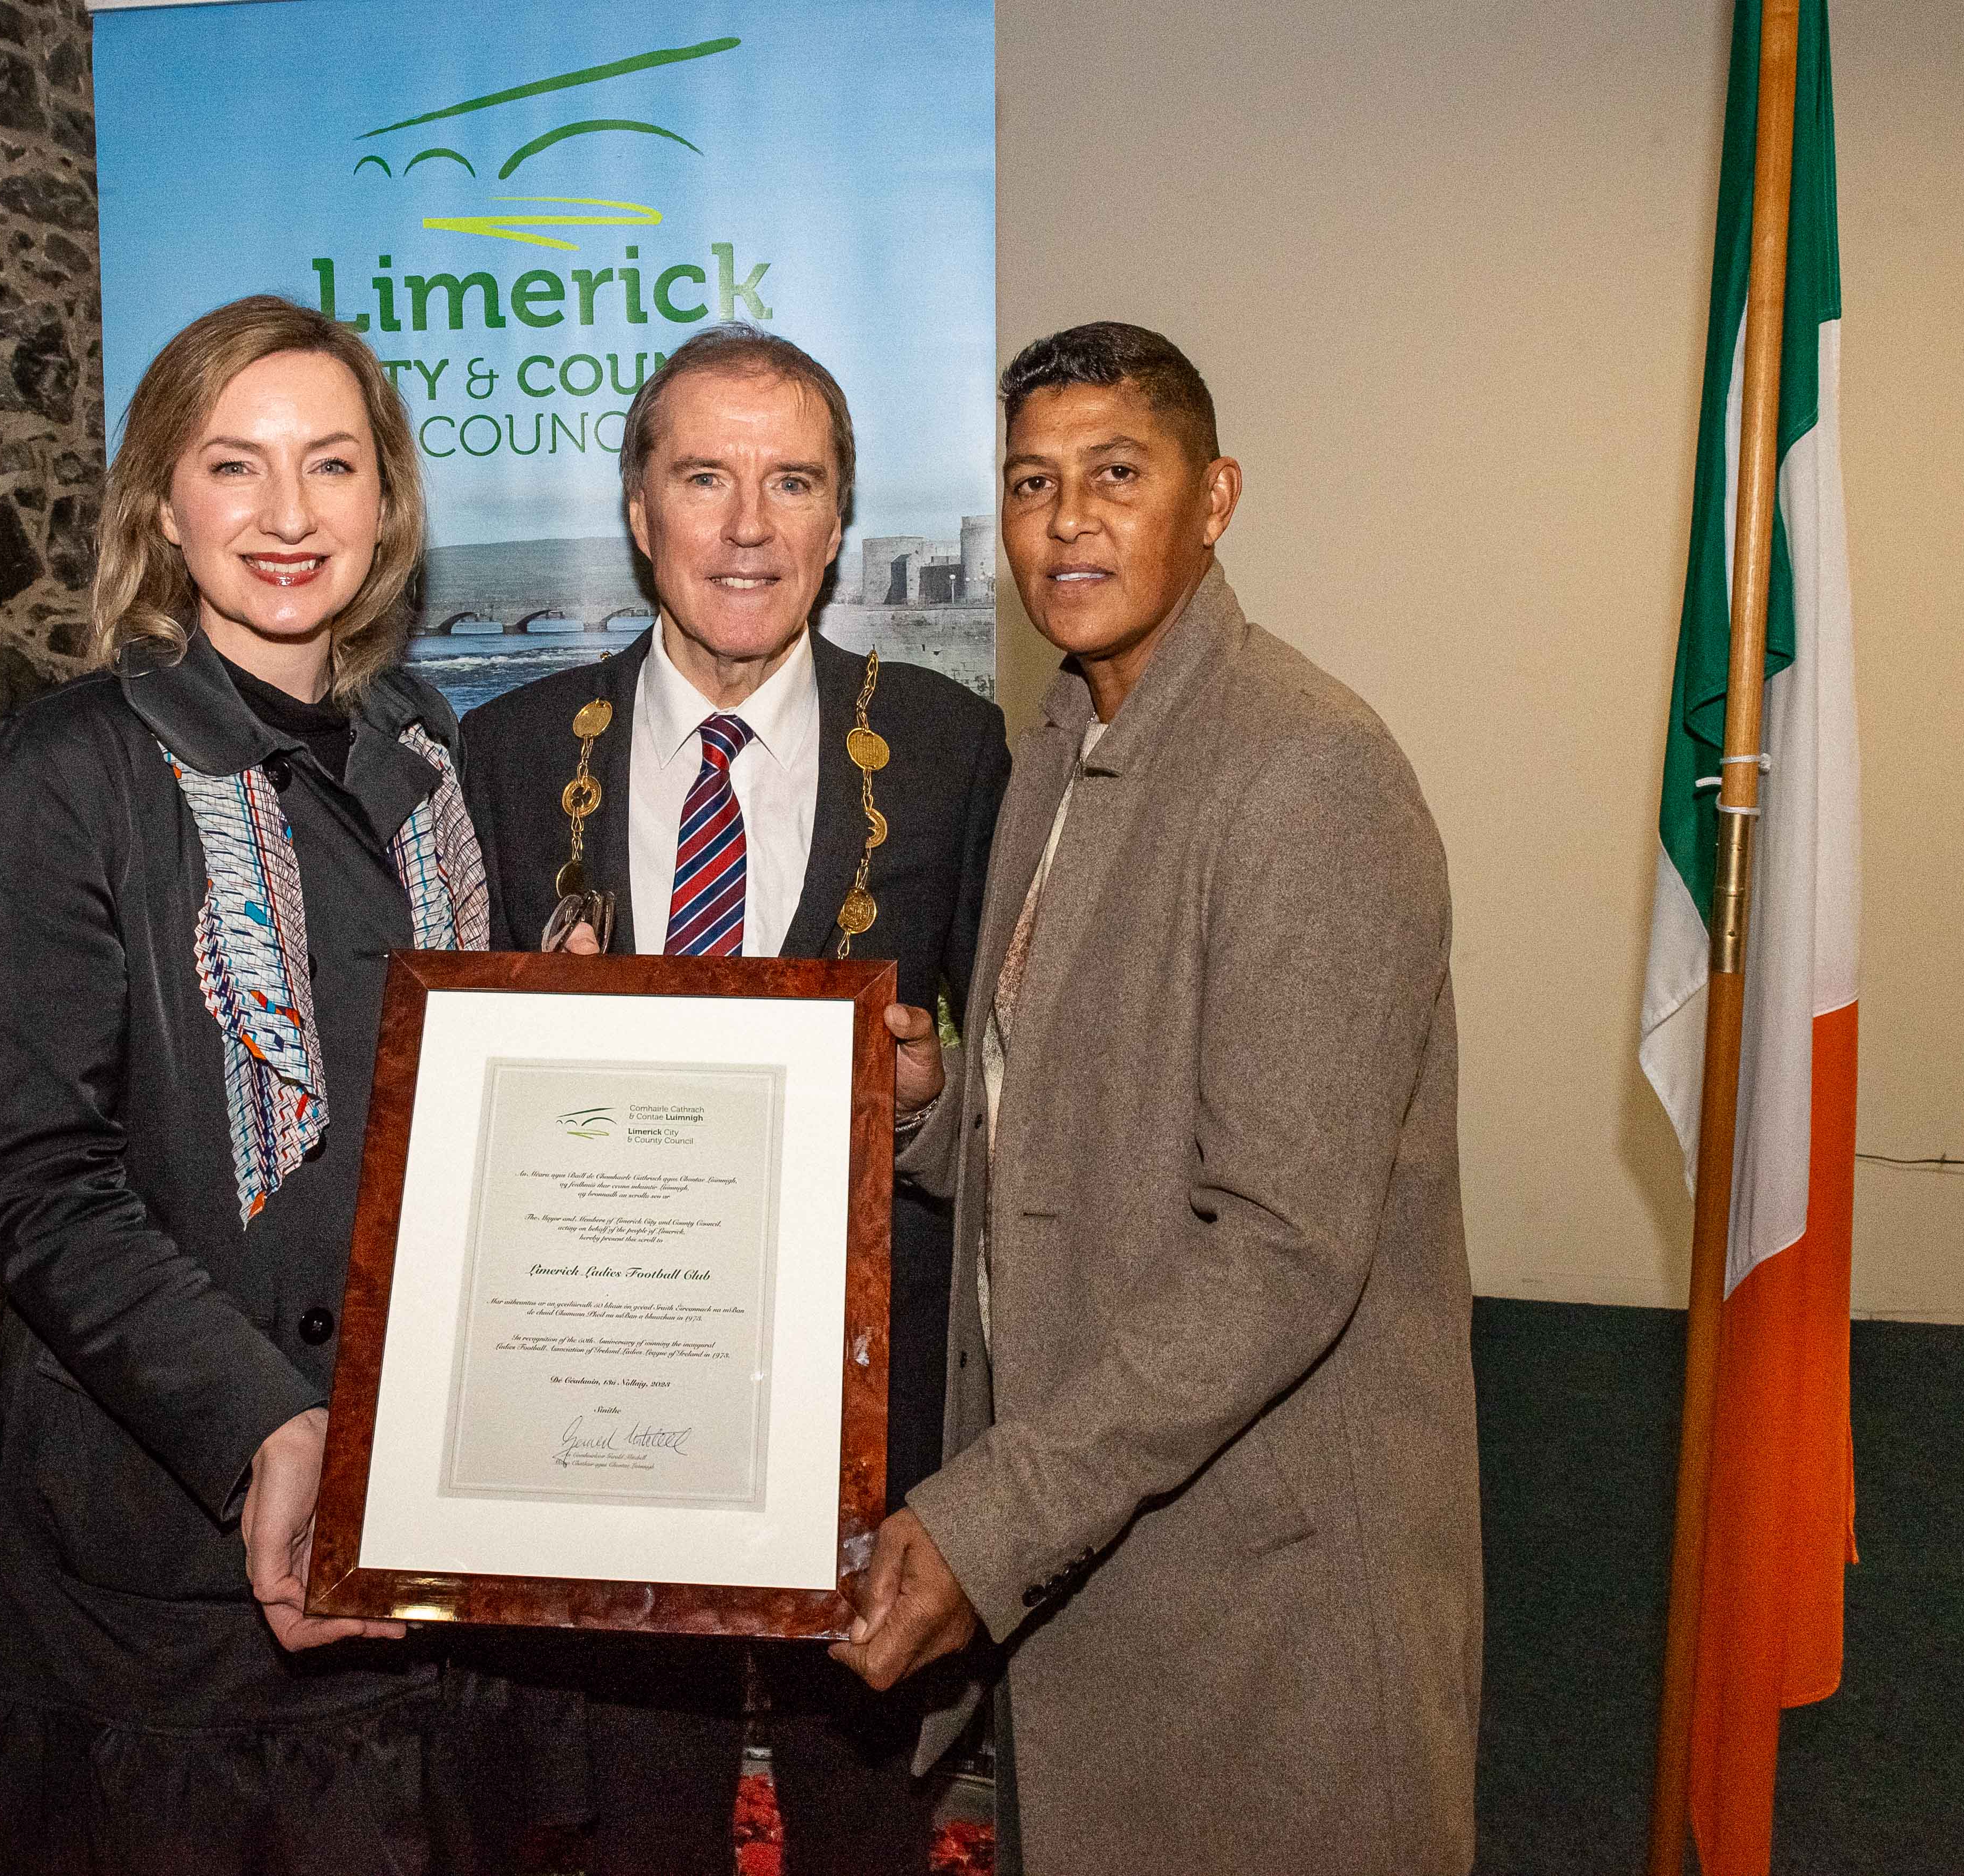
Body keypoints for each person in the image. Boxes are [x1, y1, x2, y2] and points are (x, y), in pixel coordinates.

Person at [831, 321, 1483, 1873]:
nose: (1067, 521)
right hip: (1106, 1565)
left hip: (1264, 1601)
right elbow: (1081, 1135)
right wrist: (935, 1107)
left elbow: (1280, 1249)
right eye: (1030, 483)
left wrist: (988, 1521)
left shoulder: (1305, 768)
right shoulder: (1064, 746)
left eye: (1116, 474)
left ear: (1215, 498)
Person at [0, 295, 583, 1874]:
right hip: (180, 1516)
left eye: (331, 465)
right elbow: (35, 1179)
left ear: (388, 501)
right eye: (235, 465)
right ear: (164, 506)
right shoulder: (70, 767)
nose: (289, 515)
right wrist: (259, 1427)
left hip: (418, 1468)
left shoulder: (430, 753)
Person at [459, 323, 1010, 1875]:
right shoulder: (506, 755)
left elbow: (1018, 1076)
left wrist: (926, 1100)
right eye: (705, 478)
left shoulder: (951, 748)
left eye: (794, 483)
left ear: (839, 522)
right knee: (638, 1805)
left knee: (859, 1816)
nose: (748, 528)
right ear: (640, 512)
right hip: (607, 1386)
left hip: (865, 1399)